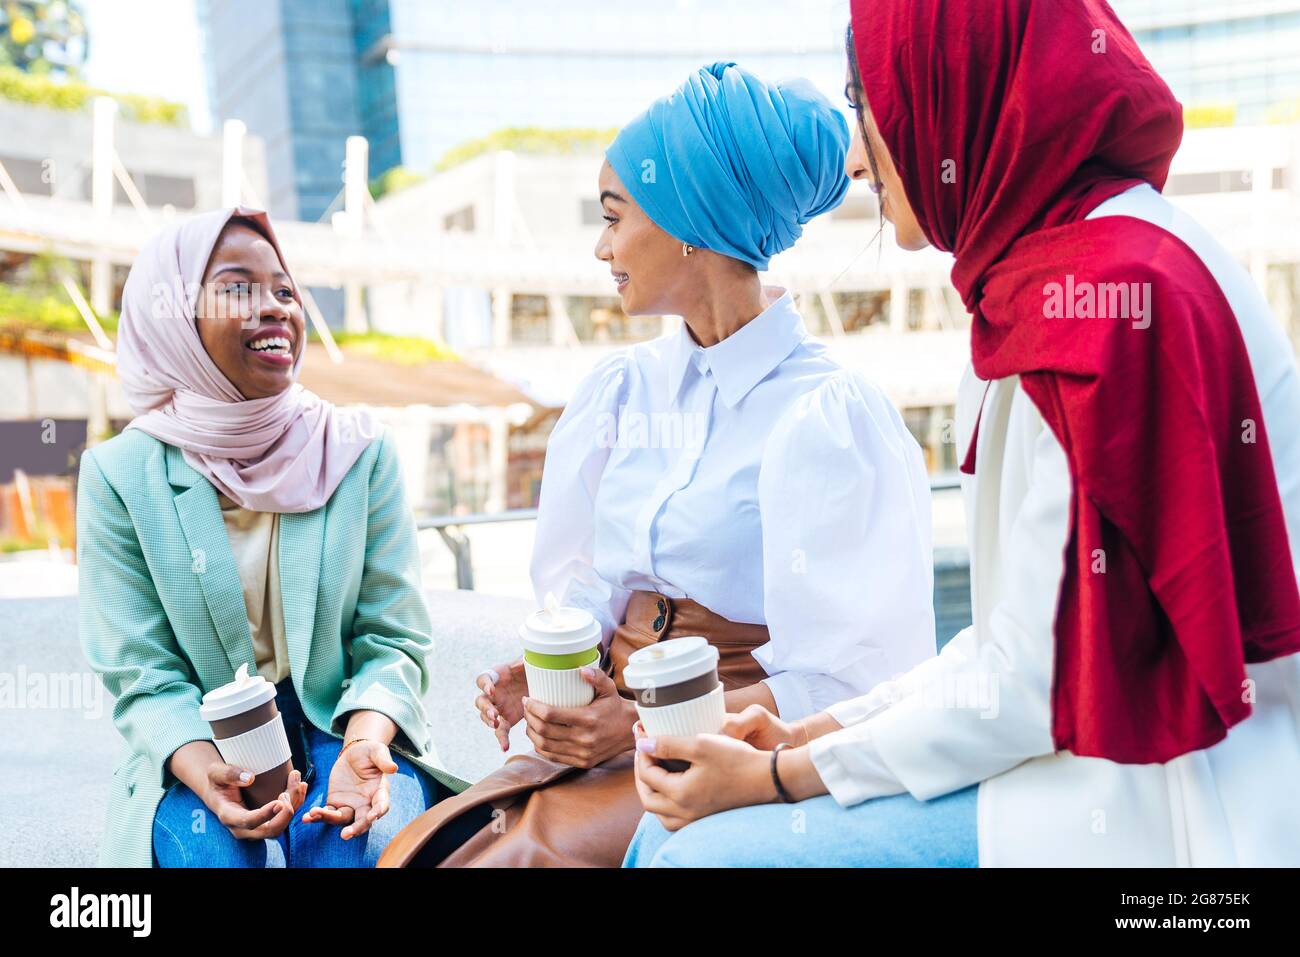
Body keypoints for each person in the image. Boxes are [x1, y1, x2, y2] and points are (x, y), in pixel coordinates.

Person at [624, 0, 1300, 868]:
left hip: (1152, 813)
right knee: (672, 831)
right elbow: (1012, 646)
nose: (858, 152)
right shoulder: (1065, 273)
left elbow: (1030, 684)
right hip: (1080, 769)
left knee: (698, 854)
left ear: (949, 91)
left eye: (866, 105)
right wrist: (810, 730)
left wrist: (787, 774)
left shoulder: (1100, 301)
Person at [414, 62, 935, 867]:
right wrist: (562, 676)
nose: (601, 246)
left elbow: (851, 684)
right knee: (430, 845)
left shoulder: (828, 416)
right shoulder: (622, 392)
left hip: (717, 756)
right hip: (606, 743)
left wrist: (643, 720)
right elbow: (594, 581)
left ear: (690, 221)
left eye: (614, 217)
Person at [78, 206, 466, 867]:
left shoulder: (358, 451)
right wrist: (208, 775)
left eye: (285, 290)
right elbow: (142, 673)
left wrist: (363, 745)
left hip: (340, 719)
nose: (276, 308)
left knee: (355, 851)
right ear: (175, 320)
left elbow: (393, 638)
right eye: (238, 287)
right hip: (201, 739)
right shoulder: (119, 475)